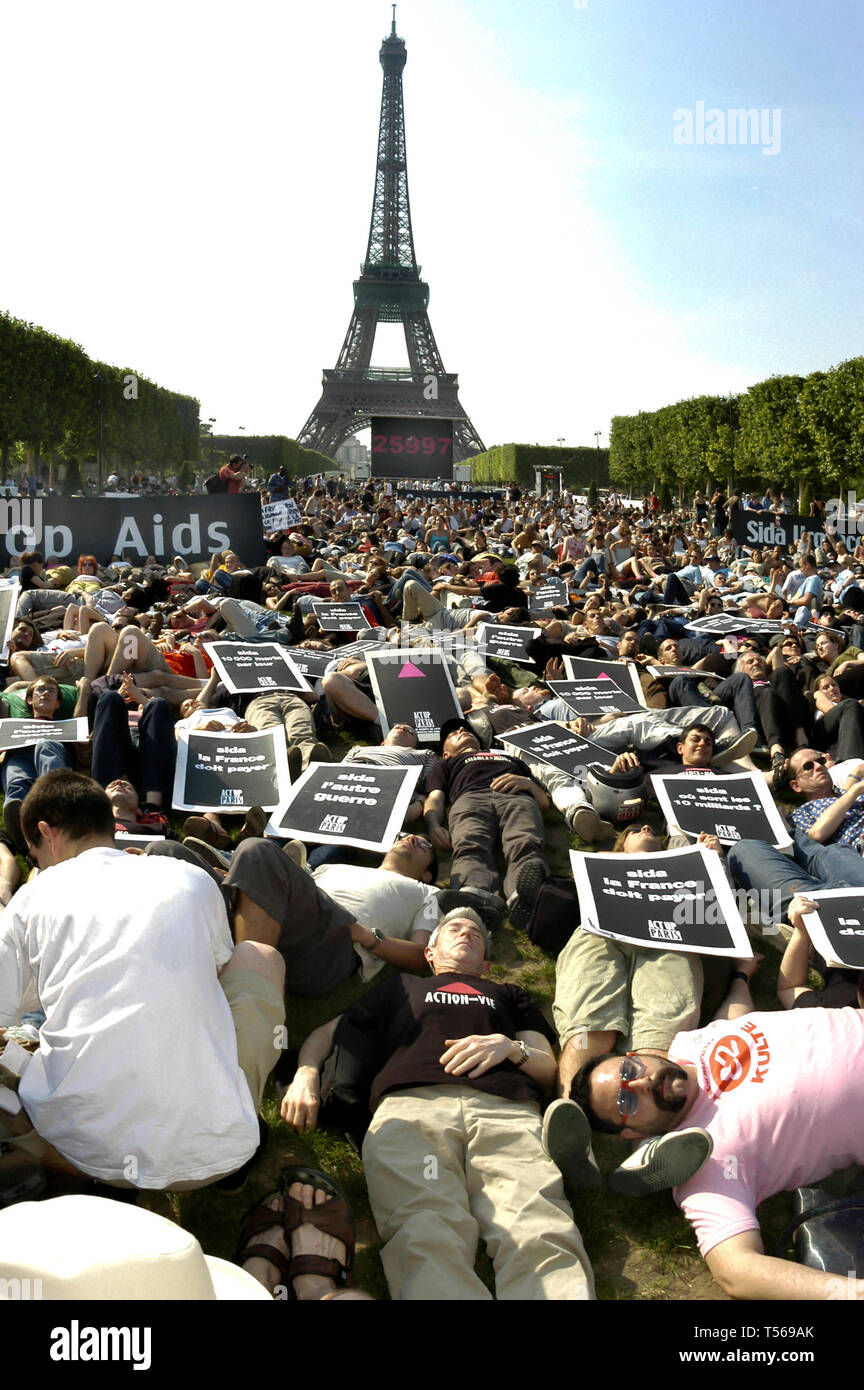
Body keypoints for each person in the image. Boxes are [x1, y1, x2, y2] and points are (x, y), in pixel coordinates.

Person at [280, 909, 594, 1301]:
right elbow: (329, 1033)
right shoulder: (400, 987)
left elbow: (547, 1068)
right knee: (424, 1231)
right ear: (430, 953)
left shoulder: (509, 995)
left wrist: (510, 1047)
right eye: (454, 929)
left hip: (506, 1111)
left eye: (475, 934)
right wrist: (306, 1076)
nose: (466, 934)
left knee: (537, 1223)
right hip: (410, 1112)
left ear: (487, 963)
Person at [0, 771, 285, 1191]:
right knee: (260, 957)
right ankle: (231, 1105)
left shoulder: (31, 897)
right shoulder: (187, 876)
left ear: (47, 833)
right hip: (218, 1155)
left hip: (79, 1151)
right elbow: (218, 971)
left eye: (35, 853)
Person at [571, 979, 864, 1299]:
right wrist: (850, 1292)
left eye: (630, 1070)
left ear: (636, 1056)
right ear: (632, 1131)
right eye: (627, 1102)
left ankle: (637, 1154)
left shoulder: (688, 1043)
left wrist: (741, 976)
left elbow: (735, 1017)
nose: (641, 1083)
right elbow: (736, 1271)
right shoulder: (704, 1160)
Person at [423, 718, 550, 925]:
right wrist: (433, 825)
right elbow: (435, 798)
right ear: (445, 753)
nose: (462, 729)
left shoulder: (510, 759)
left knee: (525, 841)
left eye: (465, 728)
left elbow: (544, 803)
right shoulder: (444, 764)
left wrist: (527, 783)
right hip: (469, 799)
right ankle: (476, 896)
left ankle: (527, 897)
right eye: (452, 734)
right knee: (469, 843)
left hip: (517, 796)